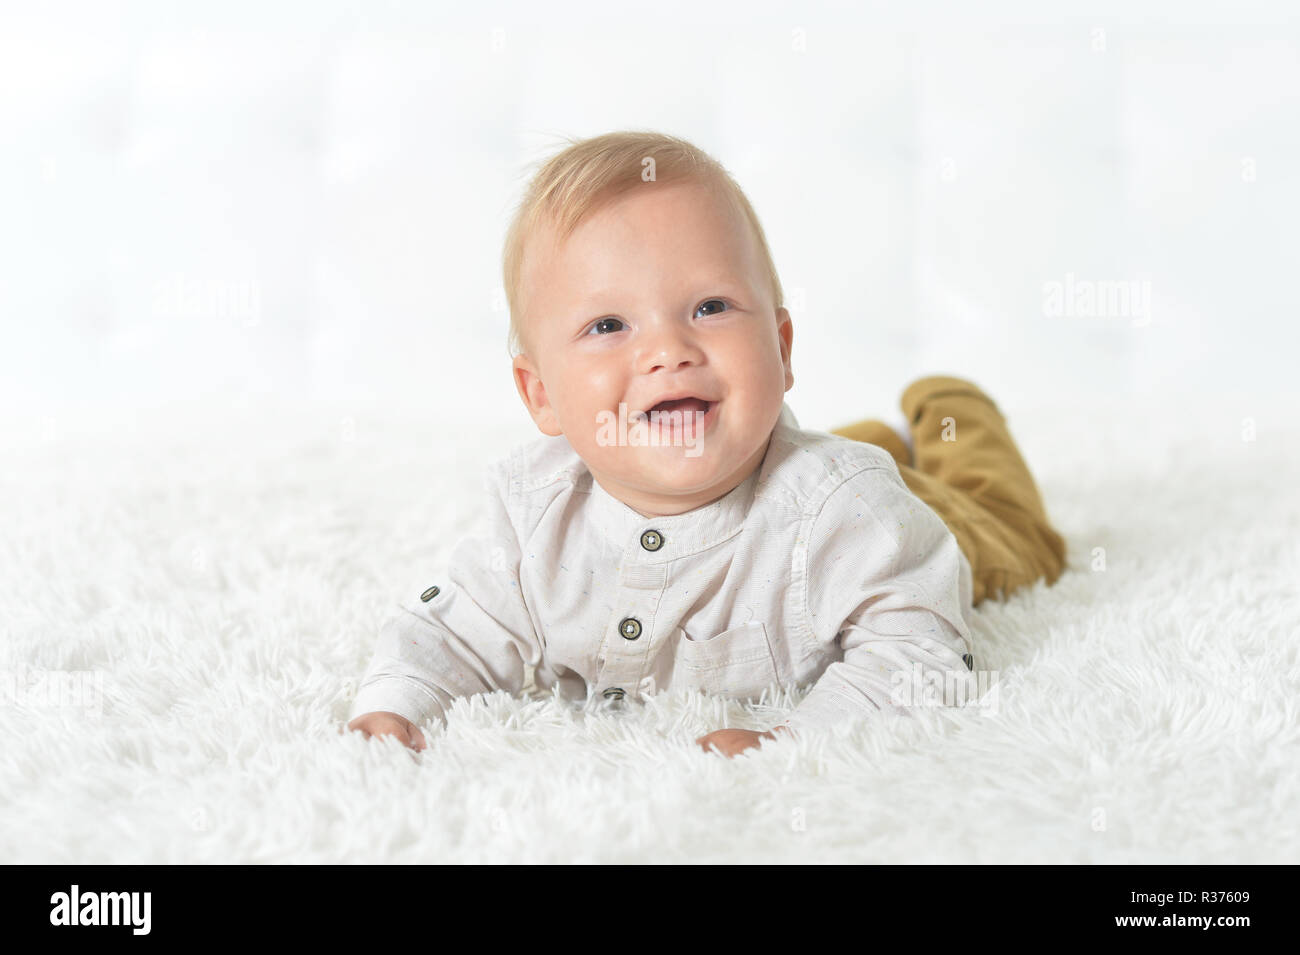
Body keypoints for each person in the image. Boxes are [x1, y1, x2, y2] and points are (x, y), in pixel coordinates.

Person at [345, 130, 1066, 759]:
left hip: (932, 517)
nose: (669, 349)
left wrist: (799, 738)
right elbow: (453, 630)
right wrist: (397, 700)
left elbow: (918, 653)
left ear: (781, 349)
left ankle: (953, 406)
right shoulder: (536, 518)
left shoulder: (846, 513)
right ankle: (877, 435)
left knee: (1006, 518)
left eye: (710, 306)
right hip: (808, 460)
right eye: (607, 326)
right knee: (837, 453)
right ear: (539, 395)